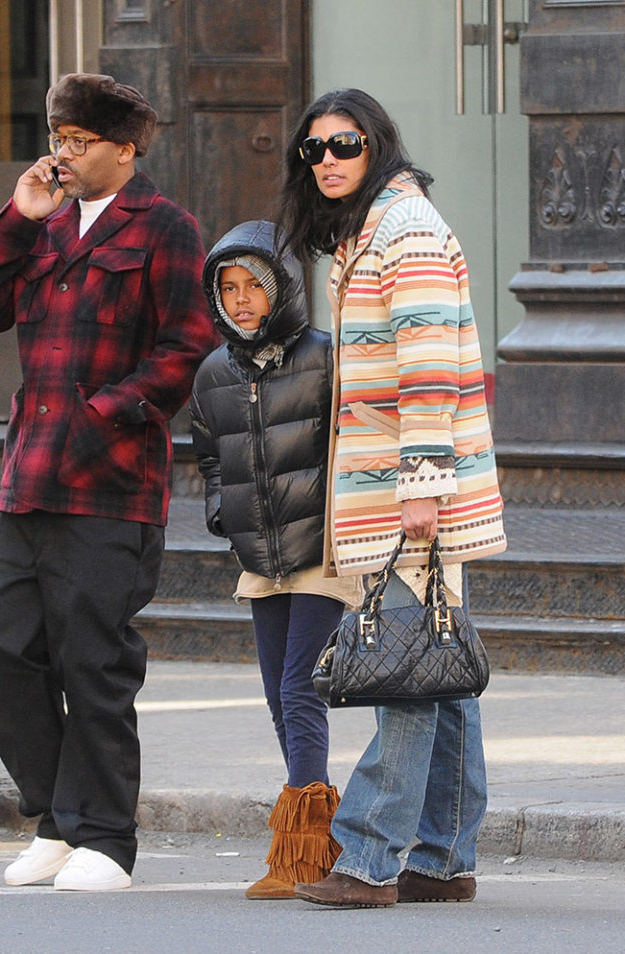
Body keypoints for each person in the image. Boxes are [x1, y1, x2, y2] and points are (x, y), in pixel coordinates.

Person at [0, 73, 216, 892]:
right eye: (57, 138)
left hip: (111, 482)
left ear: (125, 148)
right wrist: (17, 217)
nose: (62, 154)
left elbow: (188, 346)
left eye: (78, 141)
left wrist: (104, 414)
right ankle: (57, 818)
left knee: (92, 662)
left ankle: (105, 838)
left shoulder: (166, 228)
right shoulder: (45, 223)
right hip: (29, 476)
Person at [275, 88, 507, 908]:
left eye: (345, 144)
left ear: (377, 145)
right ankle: (443, 858)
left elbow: (429, 366)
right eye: (314, 149)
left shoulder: (404, 228)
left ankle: (370, 858)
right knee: (435, 663)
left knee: (404, 666)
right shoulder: (371, 230)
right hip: (399, 489)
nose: (328, 160)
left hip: (410, 493)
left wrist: (423, 486)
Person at [189, 220, 363, 899]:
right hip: (261, 554)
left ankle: (303, 854)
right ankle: (314, 839)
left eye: (254, 286)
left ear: (283, 288)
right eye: (228, 288)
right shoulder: (214, 372)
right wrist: (221, 510)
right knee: (275, 695)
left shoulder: (325, 355)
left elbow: (355, 439)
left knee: (298, 688)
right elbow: (210, 456)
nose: (240, 300)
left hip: (321, 549)